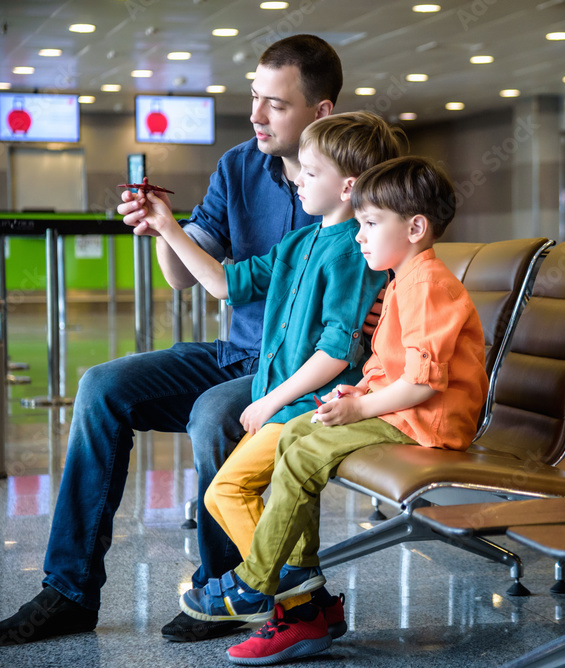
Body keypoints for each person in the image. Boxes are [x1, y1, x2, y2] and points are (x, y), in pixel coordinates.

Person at [0, 34, 349, 647]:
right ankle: (69, 589)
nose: (256, 115)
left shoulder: (352, 182)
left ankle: (225, 588)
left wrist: (180, 237)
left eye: (275, 105)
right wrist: (159, 230)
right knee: (102, 386)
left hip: (306, 370)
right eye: (254, 98)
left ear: (321, 112)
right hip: (239, 355)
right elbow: (188, 277)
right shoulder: (237, 166)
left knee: (213, 416)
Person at [177, 156, 489, 665]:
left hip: (423, 423)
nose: (360, 235)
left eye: (370, 224)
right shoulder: (402, 278)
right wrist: (357, 393)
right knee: (297, 434)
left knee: (300, 457)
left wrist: (361, 405)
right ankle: (296, 591)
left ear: (414, 228)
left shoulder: (426, 285)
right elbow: (391, 366)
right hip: (399, 411)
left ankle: (255, 582)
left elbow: (421, 384)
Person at [143, 111, 404, 639]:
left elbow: (336, 352)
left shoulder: (355, 252)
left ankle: (287, 591)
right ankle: (307, 602)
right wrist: (167, 227)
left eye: (309, 172)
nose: (297, 179)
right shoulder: (300, 243)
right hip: (283, 402)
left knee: (226, 492)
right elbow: (222, 283)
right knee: (263, 508)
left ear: (347, 186)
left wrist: (268, 401)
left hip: (308, 407)